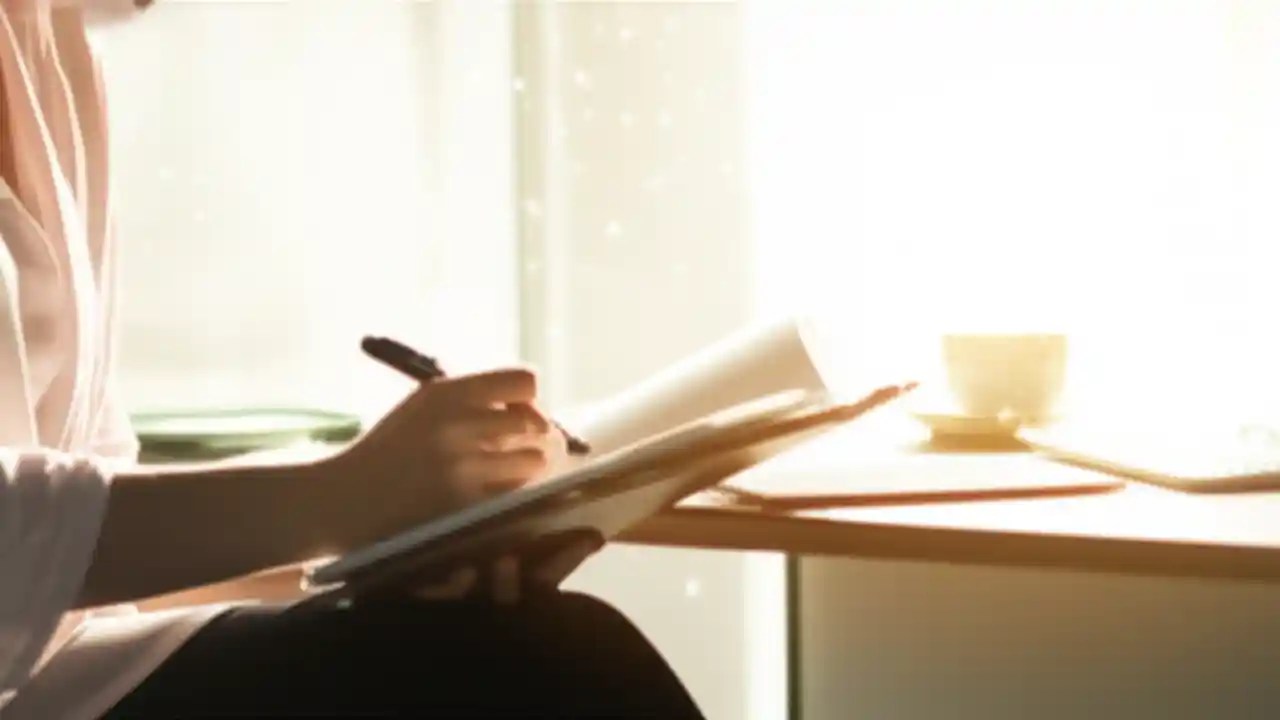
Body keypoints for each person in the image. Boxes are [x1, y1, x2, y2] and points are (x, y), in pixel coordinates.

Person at [0, 0, 705, 717]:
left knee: (549, 652)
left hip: (58, 681)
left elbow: (80, 510)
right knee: (552, 672)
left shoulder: (47, 41)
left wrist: (381, 555)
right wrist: (340, 497)